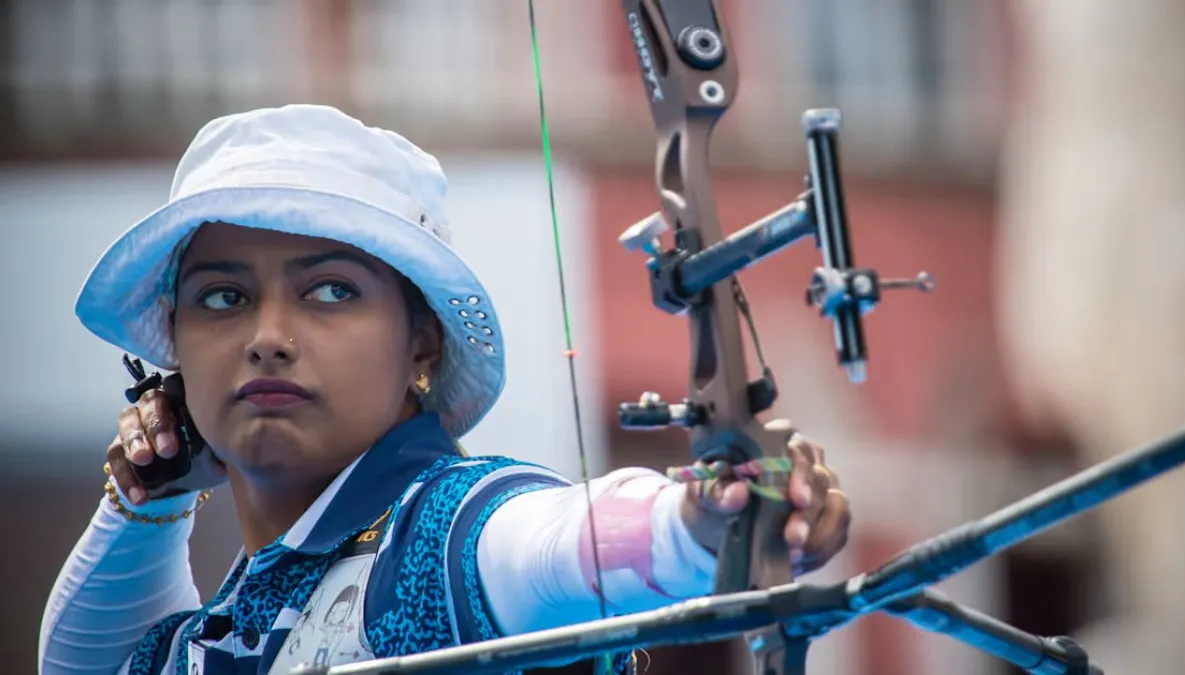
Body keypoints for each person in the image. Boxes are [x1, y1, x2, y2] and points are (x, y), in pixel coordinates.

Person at [37, 104, 852, 675]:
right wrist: (147, 498)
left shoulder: (439, 530)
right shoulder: (230, 617)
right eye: (223, 296)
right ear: (175, 346)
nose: (268, 335)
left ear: (420, 336)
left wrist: (721, 509)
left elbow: (555, 542)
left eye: (329, 291)